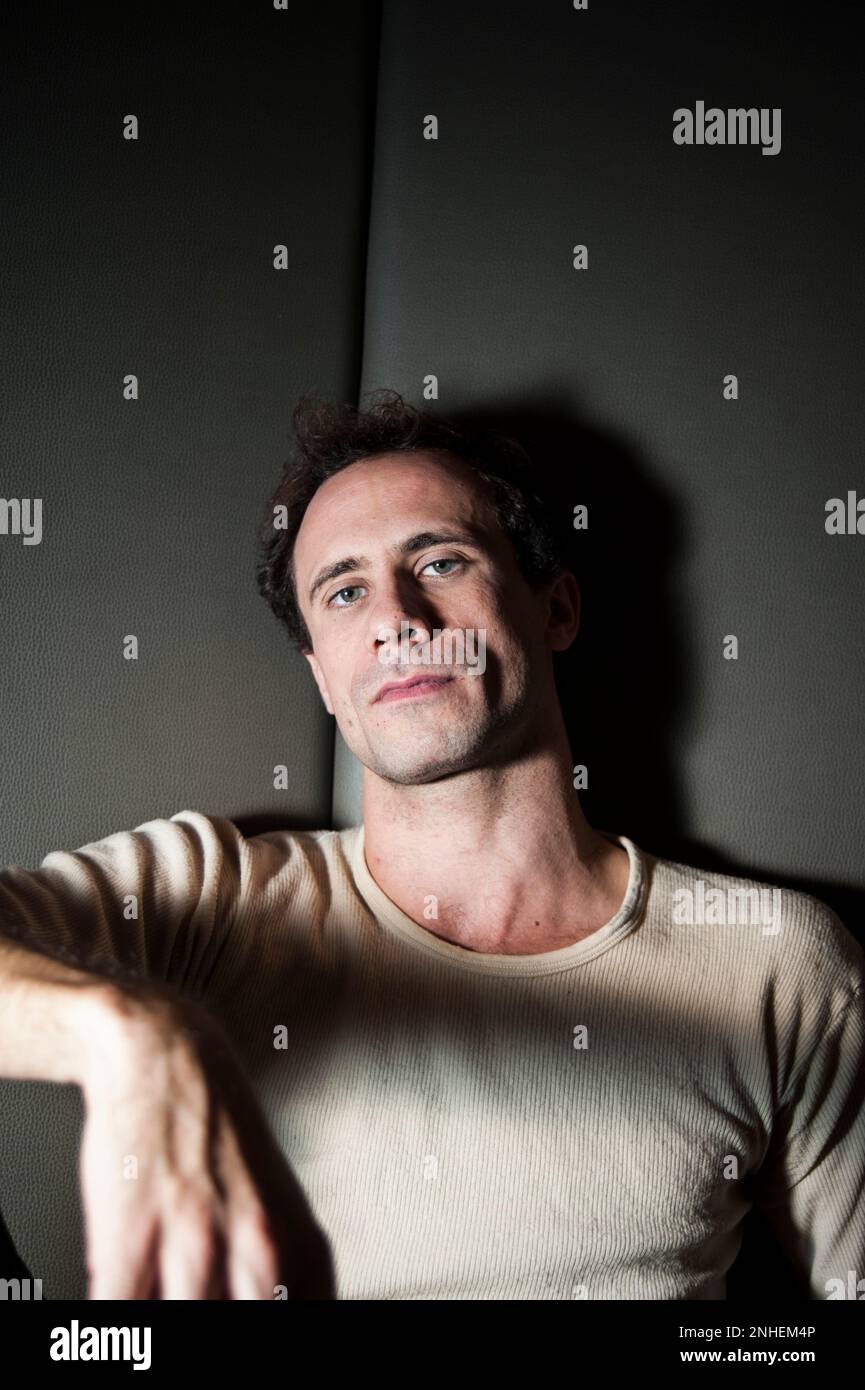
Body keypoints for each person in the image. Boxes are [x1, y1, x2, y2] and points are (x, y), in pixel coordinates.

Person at [0, 390, 863, 1300]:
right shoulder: (207, 901)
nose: (396, 618)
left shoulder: (777, 965)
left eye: (441, 561)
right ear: (323, 679)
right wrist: (130, 1039)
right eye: (344, 591)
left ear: (556, 608)